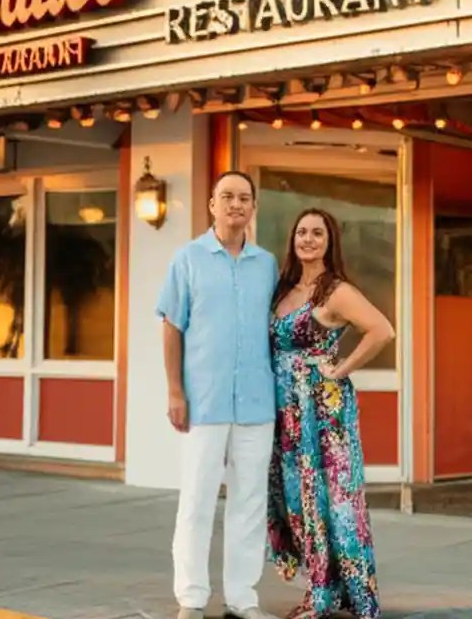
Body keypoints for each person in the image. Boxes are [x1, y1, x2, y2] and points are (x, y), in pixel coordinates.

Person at [157, 171, 280, 619]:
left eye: (244, 198)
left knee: (249, 503)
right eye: (227, 196)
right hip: (203, 402)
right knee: (197, 500)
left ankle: (242, 598)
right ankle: (191, 598)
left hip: (256, 402)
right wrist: (175, 389)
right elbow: (171, 325)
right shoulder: (188, 258)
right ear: (211, 204)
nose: (235, 204)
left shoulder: (266, 264)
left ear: (253, 208)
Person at [267, 208, 394, 619]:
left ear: (329, 241)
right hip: (287, 414)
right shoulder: (282, 289)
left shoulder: (335, 291)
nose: (307, 239)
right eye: (301, 231)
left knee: (336, 501)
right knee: (300, 503)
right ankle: (322, 587)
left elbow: (382, 330)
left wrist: (341, 369)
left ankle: (342, 595)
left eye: (316, 233)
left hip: (325, 414)